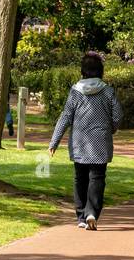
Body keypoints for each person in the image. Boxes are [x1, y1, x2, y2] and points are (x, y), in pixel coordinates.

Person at [49, 53, 122, 230]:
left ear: (83, 71)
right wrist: (110, 128)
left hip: (79, 142)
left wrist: (54, 142)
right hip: (100, 143)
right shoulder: (108, 91)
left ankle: (81, 216)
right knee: (97, 178)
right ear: (100, 71)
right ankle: (92, 212)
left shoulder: (75, 92)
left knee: (79, 178)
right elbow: (118, 115)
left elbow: (65, 117)